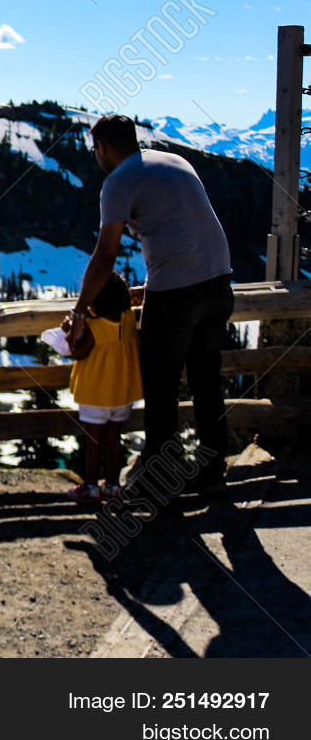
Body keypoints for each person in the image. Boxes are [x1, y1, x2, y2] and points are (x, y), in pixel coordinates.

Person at [68, 114, 234, 498]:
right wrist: (150, 286)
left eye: (96, 149)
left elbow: (105, 255)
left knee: (160, 384)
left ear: (103, 147)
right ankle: (211, 468)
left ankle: (159, 480)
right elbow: (184, 231)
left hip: (177, 293)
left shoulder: (118, 181)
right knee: (206, 379)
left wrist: (79, 311)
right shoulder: (175, 160)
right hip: (218, 282)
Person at [60, 272, 142, 501]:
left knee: (94, 441)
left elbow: (78, 352)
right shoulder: (127, 319)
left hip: (95, 393)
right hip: (123, 392)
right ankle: (113, 486)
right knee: (114, 439)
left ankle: (91, 486)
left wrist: (71, 330)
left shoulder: (94, 328)